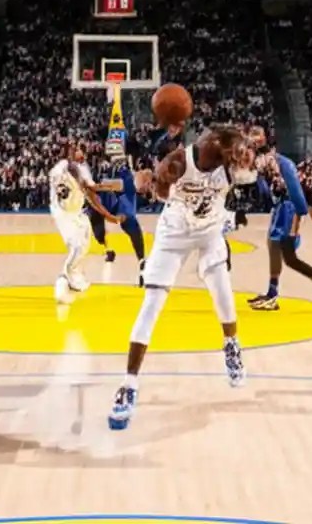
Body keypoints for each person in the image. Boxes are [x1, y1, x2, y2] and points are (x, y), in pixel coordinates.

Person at [109, 124, 258, 430]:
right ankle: (128, 385)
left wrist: (251, 147)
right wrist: (157, 183)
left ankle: (231, 345)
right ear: (217, 145)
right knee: (152, 303)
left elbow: (252, 162)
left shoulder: (232, 168)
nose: (241, 158)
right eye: (237, 152)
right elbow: (160, 193)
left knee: (222, 289)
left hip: (209, 232)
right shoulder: (178, 161)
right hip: (174, 231)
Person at [248, 148, 312, 311]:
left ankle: (273, 294)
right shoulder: (272, 168)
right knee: (282, 253)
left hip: (289, 211)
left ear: (269, 154)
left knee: (285, 254)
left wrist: (297, 225)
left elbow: (299, 193)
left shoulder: (284, 165)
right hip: (282, 210)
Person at [49, 143, 122, 304]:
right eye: (76, 149)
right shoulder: (59, 170)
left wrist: (108, 213)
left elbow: (91, 191)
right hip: (63, 213)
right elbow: (60, 187)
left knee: (85, 242)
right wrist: (62, 190)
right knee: (76, 247)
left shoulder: (82, 169)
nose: (80, 151)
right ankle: (63, 280)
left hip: (77, 212)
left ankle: (75, 277)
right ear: (68, 153)